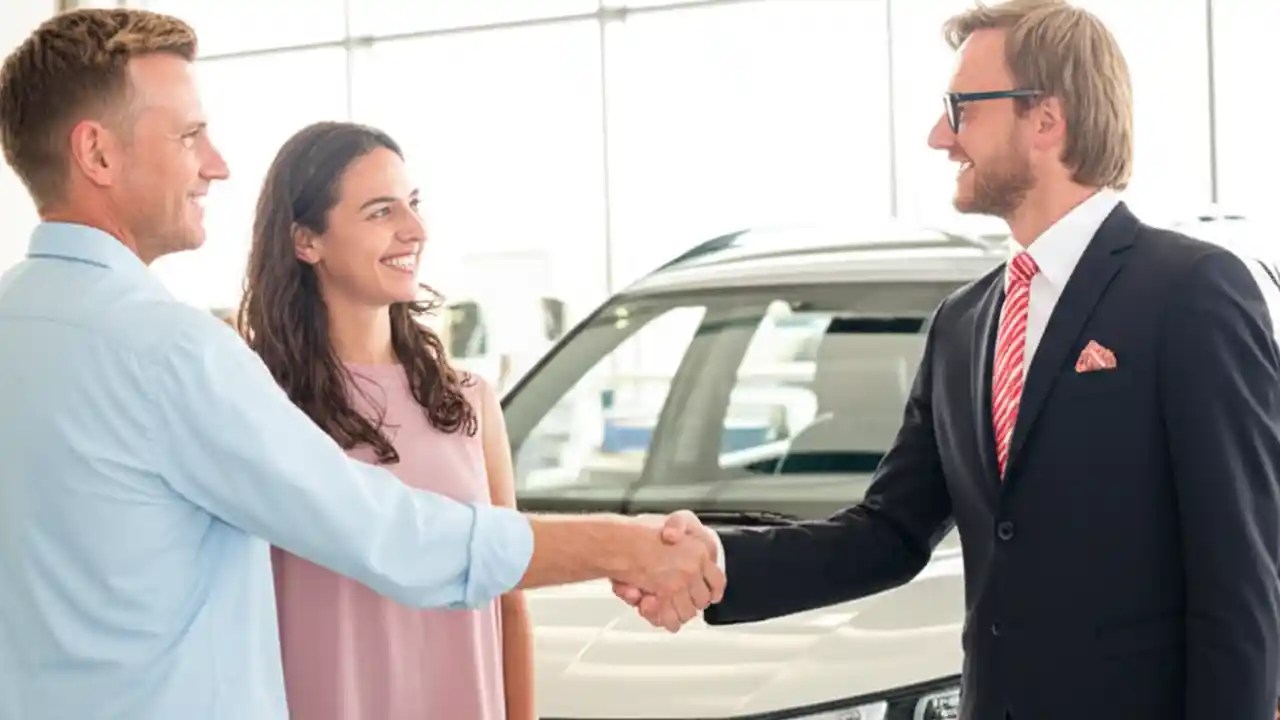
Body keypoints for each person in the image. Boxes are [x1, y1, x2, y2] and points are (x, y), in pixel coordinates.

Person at [0, 10, 721, 720]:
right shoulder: (170, 352)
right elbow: (393, 537)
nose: (215, 164)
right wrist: (626, 546)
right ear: (96, 154)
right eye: (190, 135)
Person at [618, 1, 1280, 719]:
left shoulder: (1191, 292)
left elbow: (1242, 577)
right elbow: (889, 534)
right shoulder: (963, 324)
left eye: (960, 107)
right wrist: (718, 561)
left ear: (1046, 119)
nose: (940, 136)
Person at [238, 121, 535, 720]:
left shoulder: (470, 403)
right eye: (381, 211)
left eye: (413, 204)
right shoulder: (254, 403)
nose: (415, 230)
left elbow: (509, 602)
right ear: (305, 241)